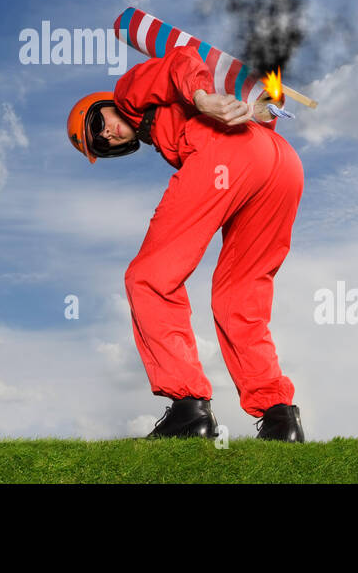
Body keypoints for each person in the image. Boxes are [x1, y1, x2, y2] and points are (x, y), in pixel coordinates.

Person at [66, 44, 306, 441]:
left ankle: (188, 409)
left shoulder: (128, 93)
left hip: (229, 156)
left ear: (104, 104)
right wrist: (256, 106)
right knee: (240, 294)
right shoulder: (162, 128)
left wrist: (202, 97)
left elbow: (181, 59)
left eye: (97, 123)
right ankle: (280, 418)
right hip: (281, 165)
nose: (105, 135)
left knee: (148, 277)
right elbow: (253, 122)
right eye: (100, 143)